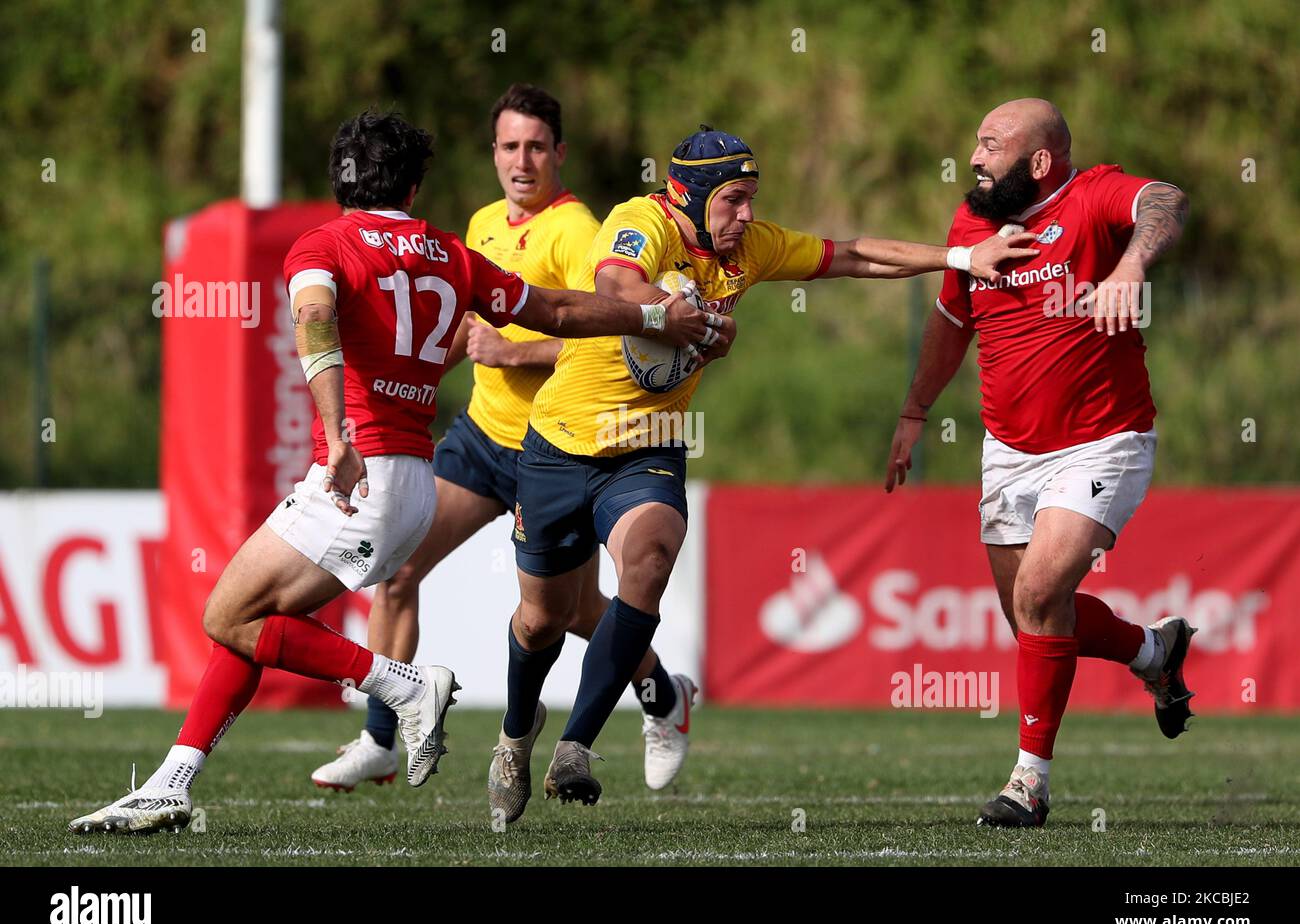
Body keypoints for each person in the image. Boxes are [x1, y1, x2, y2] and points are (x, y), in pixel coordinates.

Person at [69, 108, 726, 835]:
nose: (519, 158)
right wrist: (655, 319)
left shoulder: (322, 244)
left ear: (338, 179)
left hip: (365, 474)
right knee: (250, 619)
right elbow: (560, 312)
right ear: (414, 186)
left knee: (227, 614)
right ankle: (174, 782)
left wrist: (333, 432)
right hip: (418, 474)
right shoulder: (450, 249)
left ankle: (404, 685)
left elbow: (315, 321)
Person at [500, 125, 1039, 814]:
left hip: (650, 443)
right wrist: (678, 315)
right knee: (543, 620)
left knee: (652, 558)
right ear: (691, 196)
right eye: (734, 200)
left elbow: (852, 256)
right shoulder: (644, 220)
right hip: (558, 444)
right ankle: (516, 741)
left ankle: (574, 748)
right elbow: (616, 280)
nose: (748, 216)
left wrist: (962, 255)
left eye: (753, 199)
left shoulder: (749, 248)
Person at [308, 86, 699, 818]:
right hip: (483, 439)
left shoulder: (580, 231)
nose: (522, 160)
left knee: (575, 614)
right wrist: (397, 402)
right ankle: (383, 735)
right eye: (509, 146)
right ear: (493, 154)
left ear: (560, 153)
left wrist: (516, 350)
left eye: (536, 146)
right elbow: (462, 330)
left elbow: (613, 340)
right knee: (396, 567)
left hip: (557, 447)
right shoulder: (484, 223)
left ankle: (663, 694)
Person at [884, 98, 1193, 828]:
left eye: (991, 145)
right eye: (977, 142)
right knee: (1032, 618)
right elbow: (951, 320)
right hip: (1009, 448)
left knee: (1041, 592)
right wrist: (914, 411)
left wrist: (1131, 264)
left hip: (1102, 440)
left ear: (1040, 162)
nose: (976, 159)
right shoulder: (973, 225)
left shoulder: (1090, 197)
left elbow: (1166, 200)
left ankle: (1028, 783)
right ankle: (1155, 649)